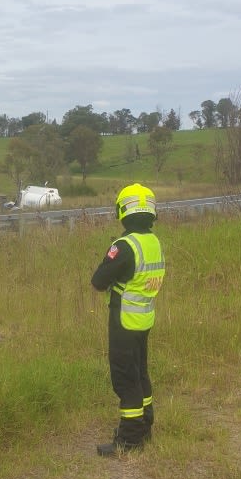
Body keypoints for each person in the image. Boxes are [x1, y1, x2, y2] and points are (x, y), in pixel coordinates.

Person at [91, 183, 165, 456]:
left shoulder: (125, 245)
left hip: (123, 321)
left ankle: (130, 439)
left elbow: (99, 281)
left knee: (125, 379)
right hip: (144, 318)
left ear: (123, 210)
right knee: (140, 373)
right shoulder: (153, 242)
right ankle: (145, 426)